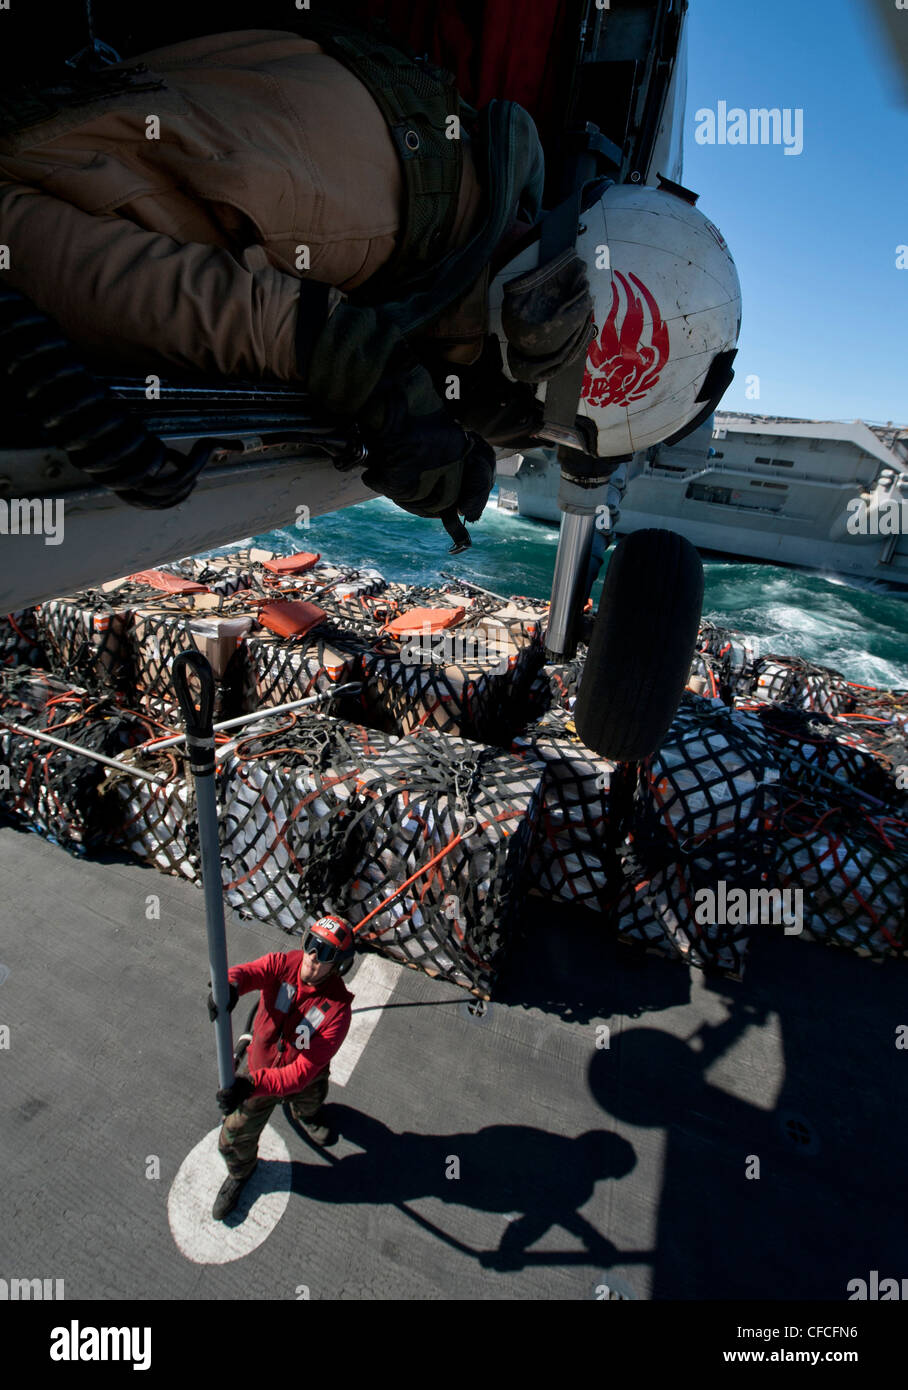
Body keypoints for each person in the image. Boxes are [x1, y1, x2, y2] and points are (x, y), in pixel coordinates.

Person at [0, 17, 740, 545]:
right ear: (543, 318)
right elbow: (16, 226)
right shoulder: (337, 213)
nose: (514, 419)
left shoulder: (456, 201)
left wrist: (422, 404)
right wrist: (322, 347)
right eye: (535, 408)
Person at [209, 914, 356, 1221]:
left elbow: (302, 1073)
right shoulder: (283, 963)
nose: (313, 956)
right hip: (261, 1076)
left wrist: (250, 1085)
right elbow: (249, 973)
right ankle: (241, 1172)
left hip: (299, 1080)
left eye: (325, 953)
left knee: (312, 1097)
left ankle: (308, 1115)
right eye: (311, 944)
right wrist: (228, 986)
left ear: (339, 964)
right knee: (232, 1140)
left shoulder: (338, 1012)